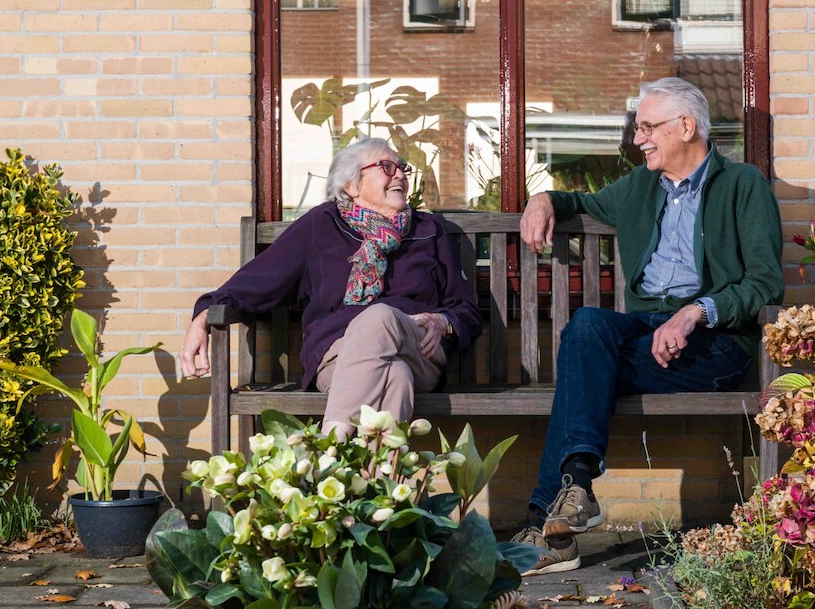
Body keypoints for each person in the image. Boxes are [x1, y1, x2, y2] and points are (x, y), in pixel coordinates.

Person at [512, 78, 784, 575]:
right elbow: (577, 201)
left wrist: (695, 311)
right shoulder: (639, 186)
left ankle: (551, 529)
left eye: (647, 127)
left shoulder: (744, 186)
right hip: (644, 334)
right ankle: (577, 487)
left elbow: (766, 286)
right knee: (588, 327)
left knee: (583, 369)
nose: (637, 140)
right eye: (637, 128)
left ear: (686, 126)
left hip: (714, 344)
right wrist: (542, 199)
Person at [178, 138, 481, 436]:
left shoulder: (429, 230)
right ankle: (373, 483)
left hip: (418, 351)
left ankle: (330, 451)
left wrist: (443, 322)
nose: (400, 174)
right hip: (339, 355)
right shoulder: (321, 224)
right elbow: (259, 279)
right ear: (352, 185)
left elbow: (465, 310)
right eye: (387, 167)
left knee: (380, 317)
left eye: (402, 168)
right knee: (395, 377)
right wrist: (204, 315)